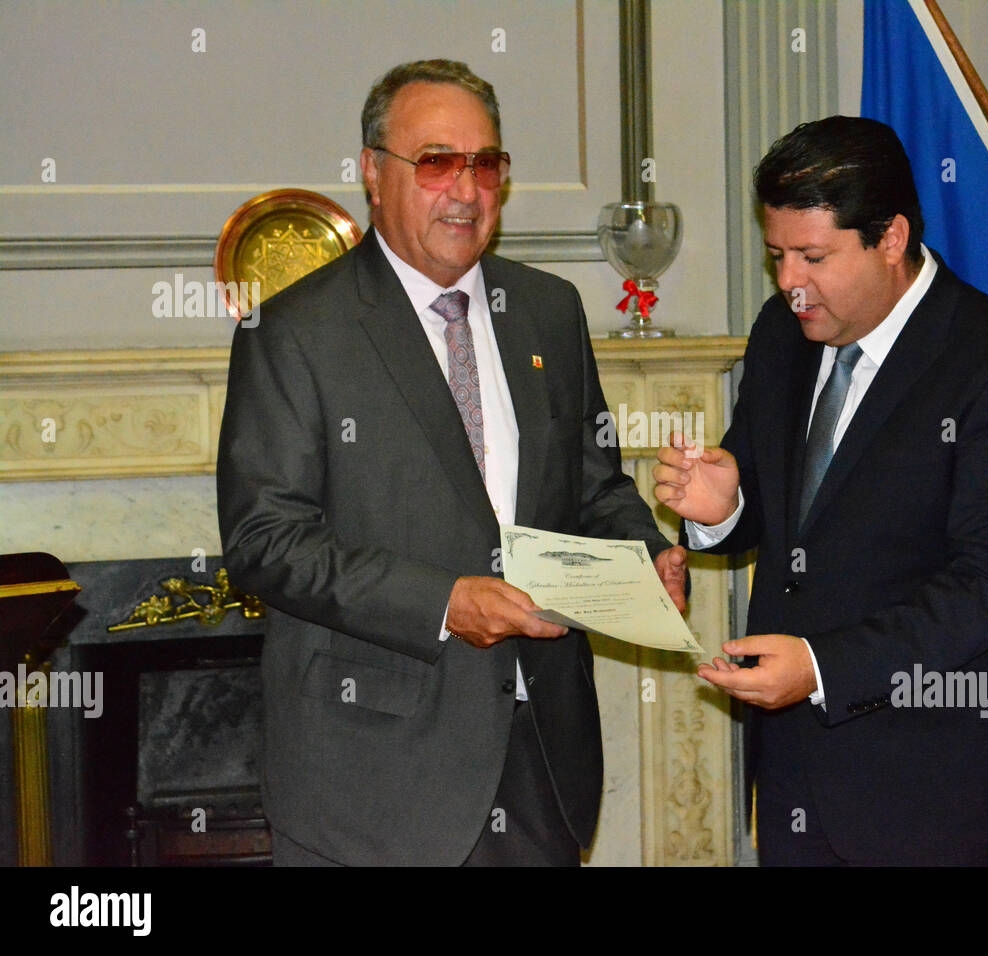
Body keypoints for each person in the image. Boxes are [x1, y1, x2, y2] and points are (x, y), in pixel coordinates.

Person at [217, 59, 686, 866]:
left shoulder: (548, 310)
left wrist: (646, 556)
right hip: (373, 789)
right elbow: (267, 543)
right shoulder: (294, 332)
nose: (465, 191)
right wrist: (445, 603)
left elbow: (591, 482)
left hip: (542, 764)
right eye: (435, 162)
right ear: (373, 172)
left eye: (486, 165)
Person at [653, 116, 988, 865]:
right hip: (792, 777)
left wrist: (820, 667)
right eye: (777, 255)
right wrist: (724, 509)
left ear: (891, 238)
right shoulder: (783, 333)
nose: (789, 284)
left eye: (813, 256)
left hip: (933, 785)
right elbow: (777, 511)